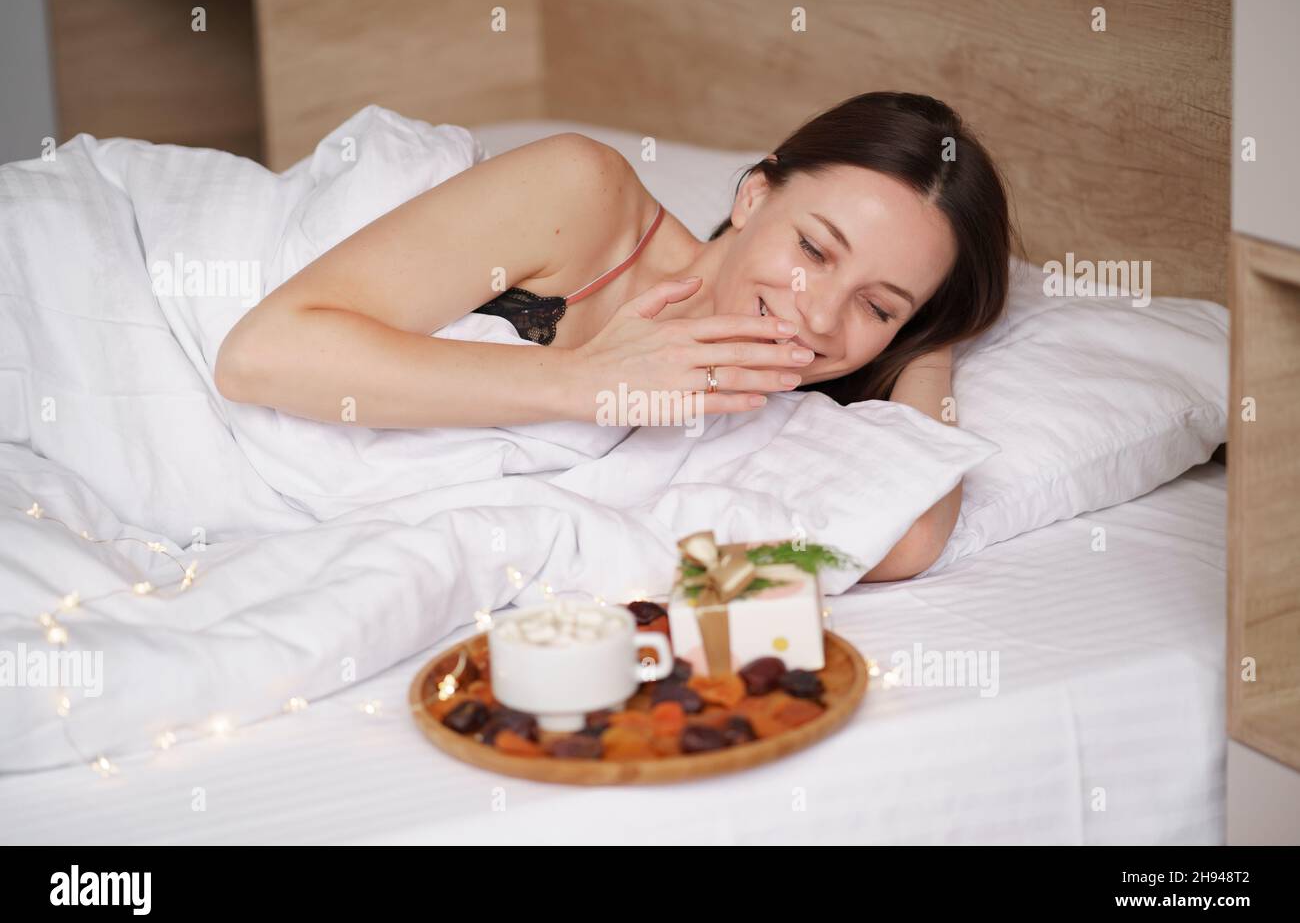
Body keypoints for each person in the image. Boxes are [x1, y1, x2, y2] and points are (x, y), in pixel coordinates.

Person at [215, 91, 1012, 579]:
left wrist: (929, 342)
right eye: (812, 249)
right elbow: (262, 355)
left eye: (878, 307)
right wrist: (590, 383)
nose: (817, 314)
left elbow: (906, 536)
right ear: (755, 194)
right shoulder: (585, 193)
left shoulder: (758, 401)